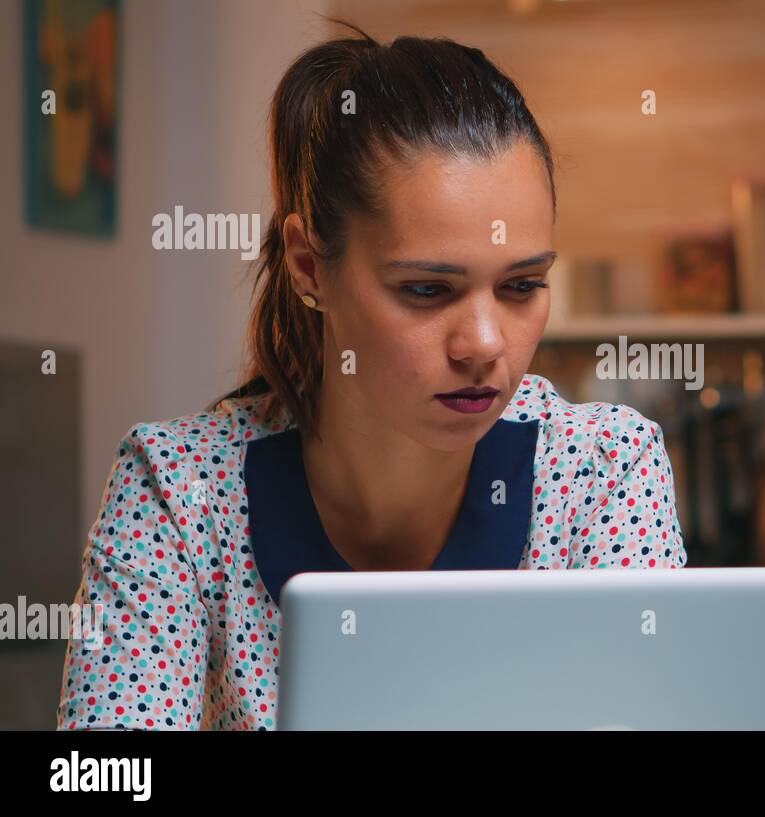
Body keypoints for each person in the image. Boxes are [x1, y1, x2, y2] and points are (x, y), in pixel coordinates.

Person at [56, 25, 686, 730]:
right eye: (426, 290)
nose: (484, 345)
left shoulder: (603, 470)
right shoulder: (178, 491)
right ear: (308, 266)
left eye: (522, 285)